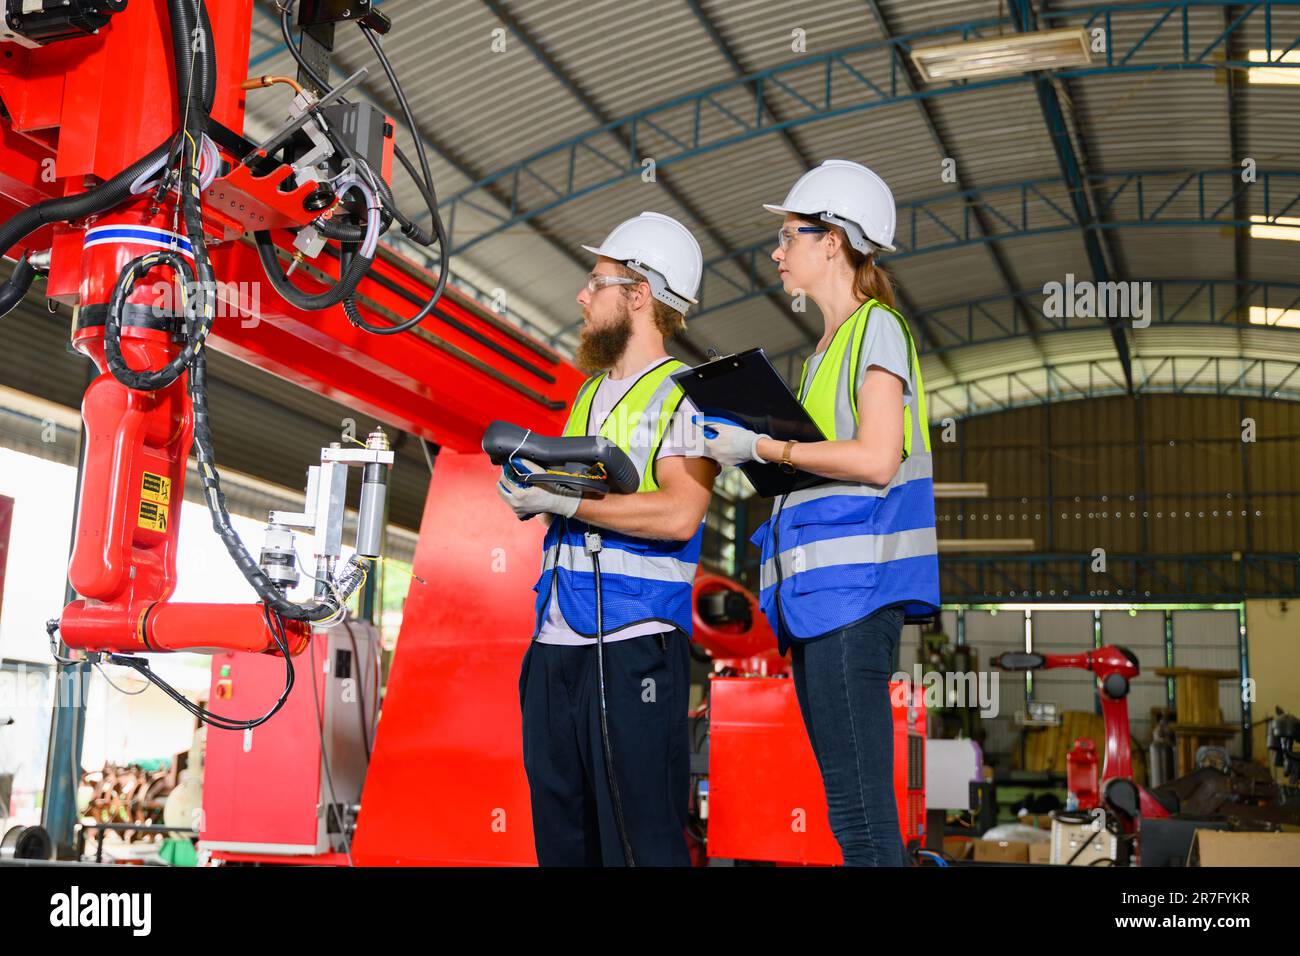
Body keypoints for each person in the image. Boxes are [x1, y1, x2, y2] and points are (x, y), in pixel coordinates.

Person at [699, 160, 940, 866]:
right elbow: (819, 468)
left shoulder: (878, 329)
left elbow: (874, 458)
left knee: (864, 821)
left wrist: (767, 442)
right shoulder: (823, 353)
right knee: (850, 814)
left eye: (788, 236)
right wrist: (745, 451)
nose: (777, 252)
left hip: (854, 598)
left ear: (832, 240)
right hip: (815, 603)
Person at [495, 211, 719, 866]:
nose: (581, 297)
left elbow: (680, 513)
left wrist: (567, 498)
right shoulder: (589, 394)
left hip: (633, 645)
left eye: (597, 283)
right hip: (554, 646)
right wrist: (535, 492)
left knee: (639, 844)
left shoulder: (688, 399)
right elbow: (583, 494)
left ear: (641, 293)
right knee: (562, 840)